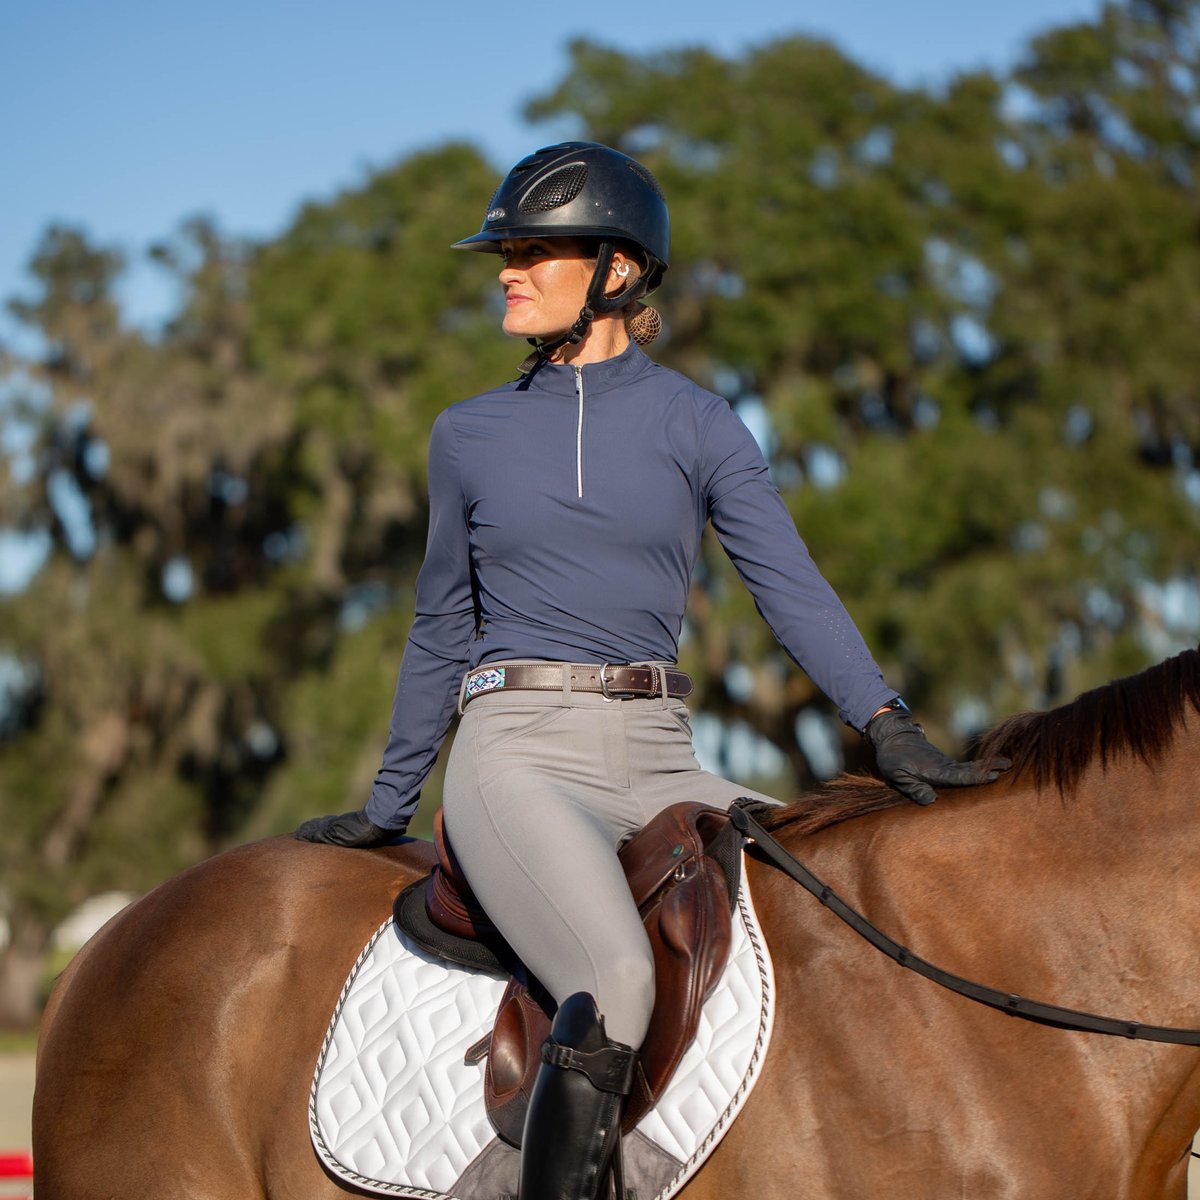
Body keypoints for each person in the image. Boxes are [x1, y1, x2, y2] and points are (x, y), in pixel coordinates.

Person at [296, 141, 1009, 1200]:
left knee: (844, 916)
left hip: (665, 756)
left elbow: (790, 586)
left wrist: (887, 721)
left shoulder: (698, 423)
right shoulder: (468, 434)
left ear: (618, 271)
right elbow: (441, 622)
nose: (508, 269)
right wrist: (390, 799)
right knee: (616, 977)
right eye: (507, 250)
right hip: (518, 758)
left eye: (535, 249)